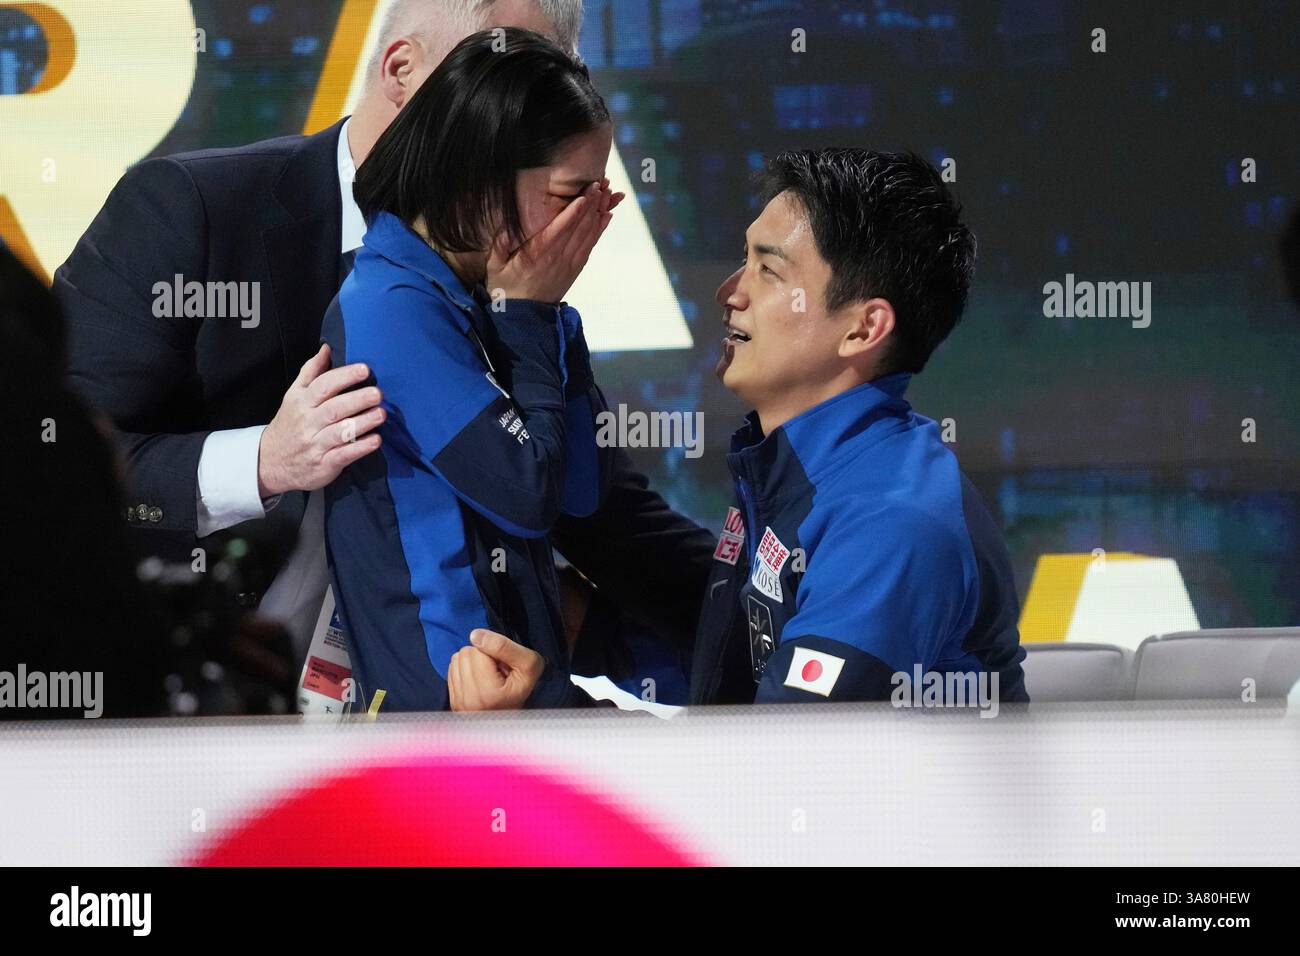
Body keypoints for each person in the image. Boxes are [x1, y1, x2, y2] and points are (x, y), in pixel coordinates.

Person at [54, 0, 714, 679]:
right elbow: (50, 464)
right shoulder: (191, 209)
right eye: (508, 76)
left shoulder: (517, 277)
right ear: (403, 68)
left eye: (559, 80)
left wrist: (783, 633)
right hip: (186, 701)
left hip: (426, 728)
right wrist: (262, 461)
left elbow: (599, 512)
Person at [451, 149, 1029, 708]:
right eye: (742, 260)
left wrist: (540, 716)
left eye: (769, 270)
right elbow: (743, 678)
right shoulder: (807, 468)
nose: (730, 292)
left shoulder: (889, 520)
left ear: (862, 329)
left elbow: (779, 773)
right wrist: (594, 636)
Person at [324, 28, 618, 710]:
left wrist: (548, 319)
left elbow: (581, 492)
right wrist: (533, 316)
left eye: (598, 198)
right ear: (478, 177)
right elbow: (527, 492)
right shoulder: (390, 306)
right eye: (571, 196)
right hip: (450, 712)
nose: (589, 223)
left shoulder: (500, 296)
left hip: (521, 698)